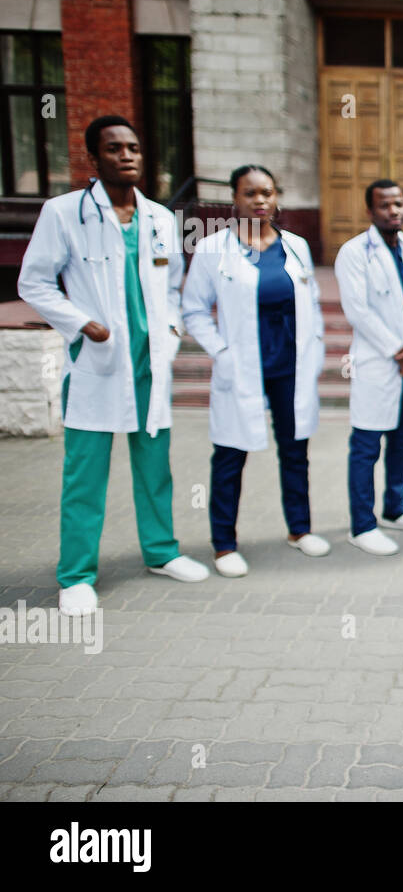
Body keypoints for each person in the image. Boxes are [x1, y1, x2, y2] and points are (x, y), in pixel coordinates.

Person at [18, 115, 209, 615]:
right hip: (96, 364)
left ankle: (162, 552)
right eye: (114, 148)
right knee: (85, 473)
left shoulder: (160, 219)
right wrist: (82, 324)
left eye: (134, 147)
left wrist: (169, 333)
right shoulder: (63, 214)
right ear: (93, 158)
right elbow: (33, 283)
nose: (126, 155)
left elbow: (170, 290)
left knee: (155, 467)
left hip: (150, 363)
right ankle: (77, 575)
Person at [181, 165, 330, 576]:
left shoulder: (296, 245)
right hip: (242, 367)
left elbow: (311, 302)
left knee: (295, 449)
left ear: (276, 196)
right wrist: (220, 350)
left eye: (267, 192)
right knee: (230, 454)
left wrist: (315, 350)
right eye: (251, 193)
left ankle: (300, 529)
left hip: (289, 366)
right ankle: (224, 545)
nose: (260, 200)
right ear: (235, 198)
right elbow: (193, 308)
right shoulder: (213, 249)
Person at [335, 179, 403, 555]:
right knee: (365, 446)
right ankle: (362, 525)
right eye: (384, 205)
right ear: (370, 211)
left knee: (402, 440)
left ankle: (395, 508)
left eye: (398, 203)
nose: (393, 211)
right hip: (380, 364)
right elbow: (357, 311)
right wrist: (401, 352)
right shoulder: (354, 252)